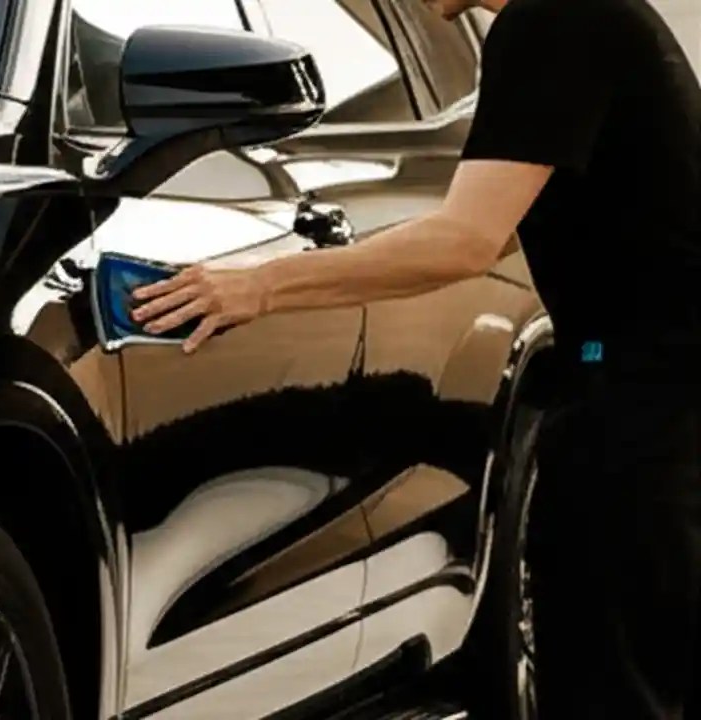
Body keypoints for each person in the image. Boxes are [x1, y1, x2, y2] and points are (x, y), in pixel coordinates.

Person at [131, 0, 701, 717]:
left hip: (641, 418)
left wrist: (262, 284)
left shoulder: (553, 23)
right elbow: (494, 234)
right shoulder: (588, 17)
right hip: (656, 405)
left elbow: (465, 239)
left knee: (613, 692)